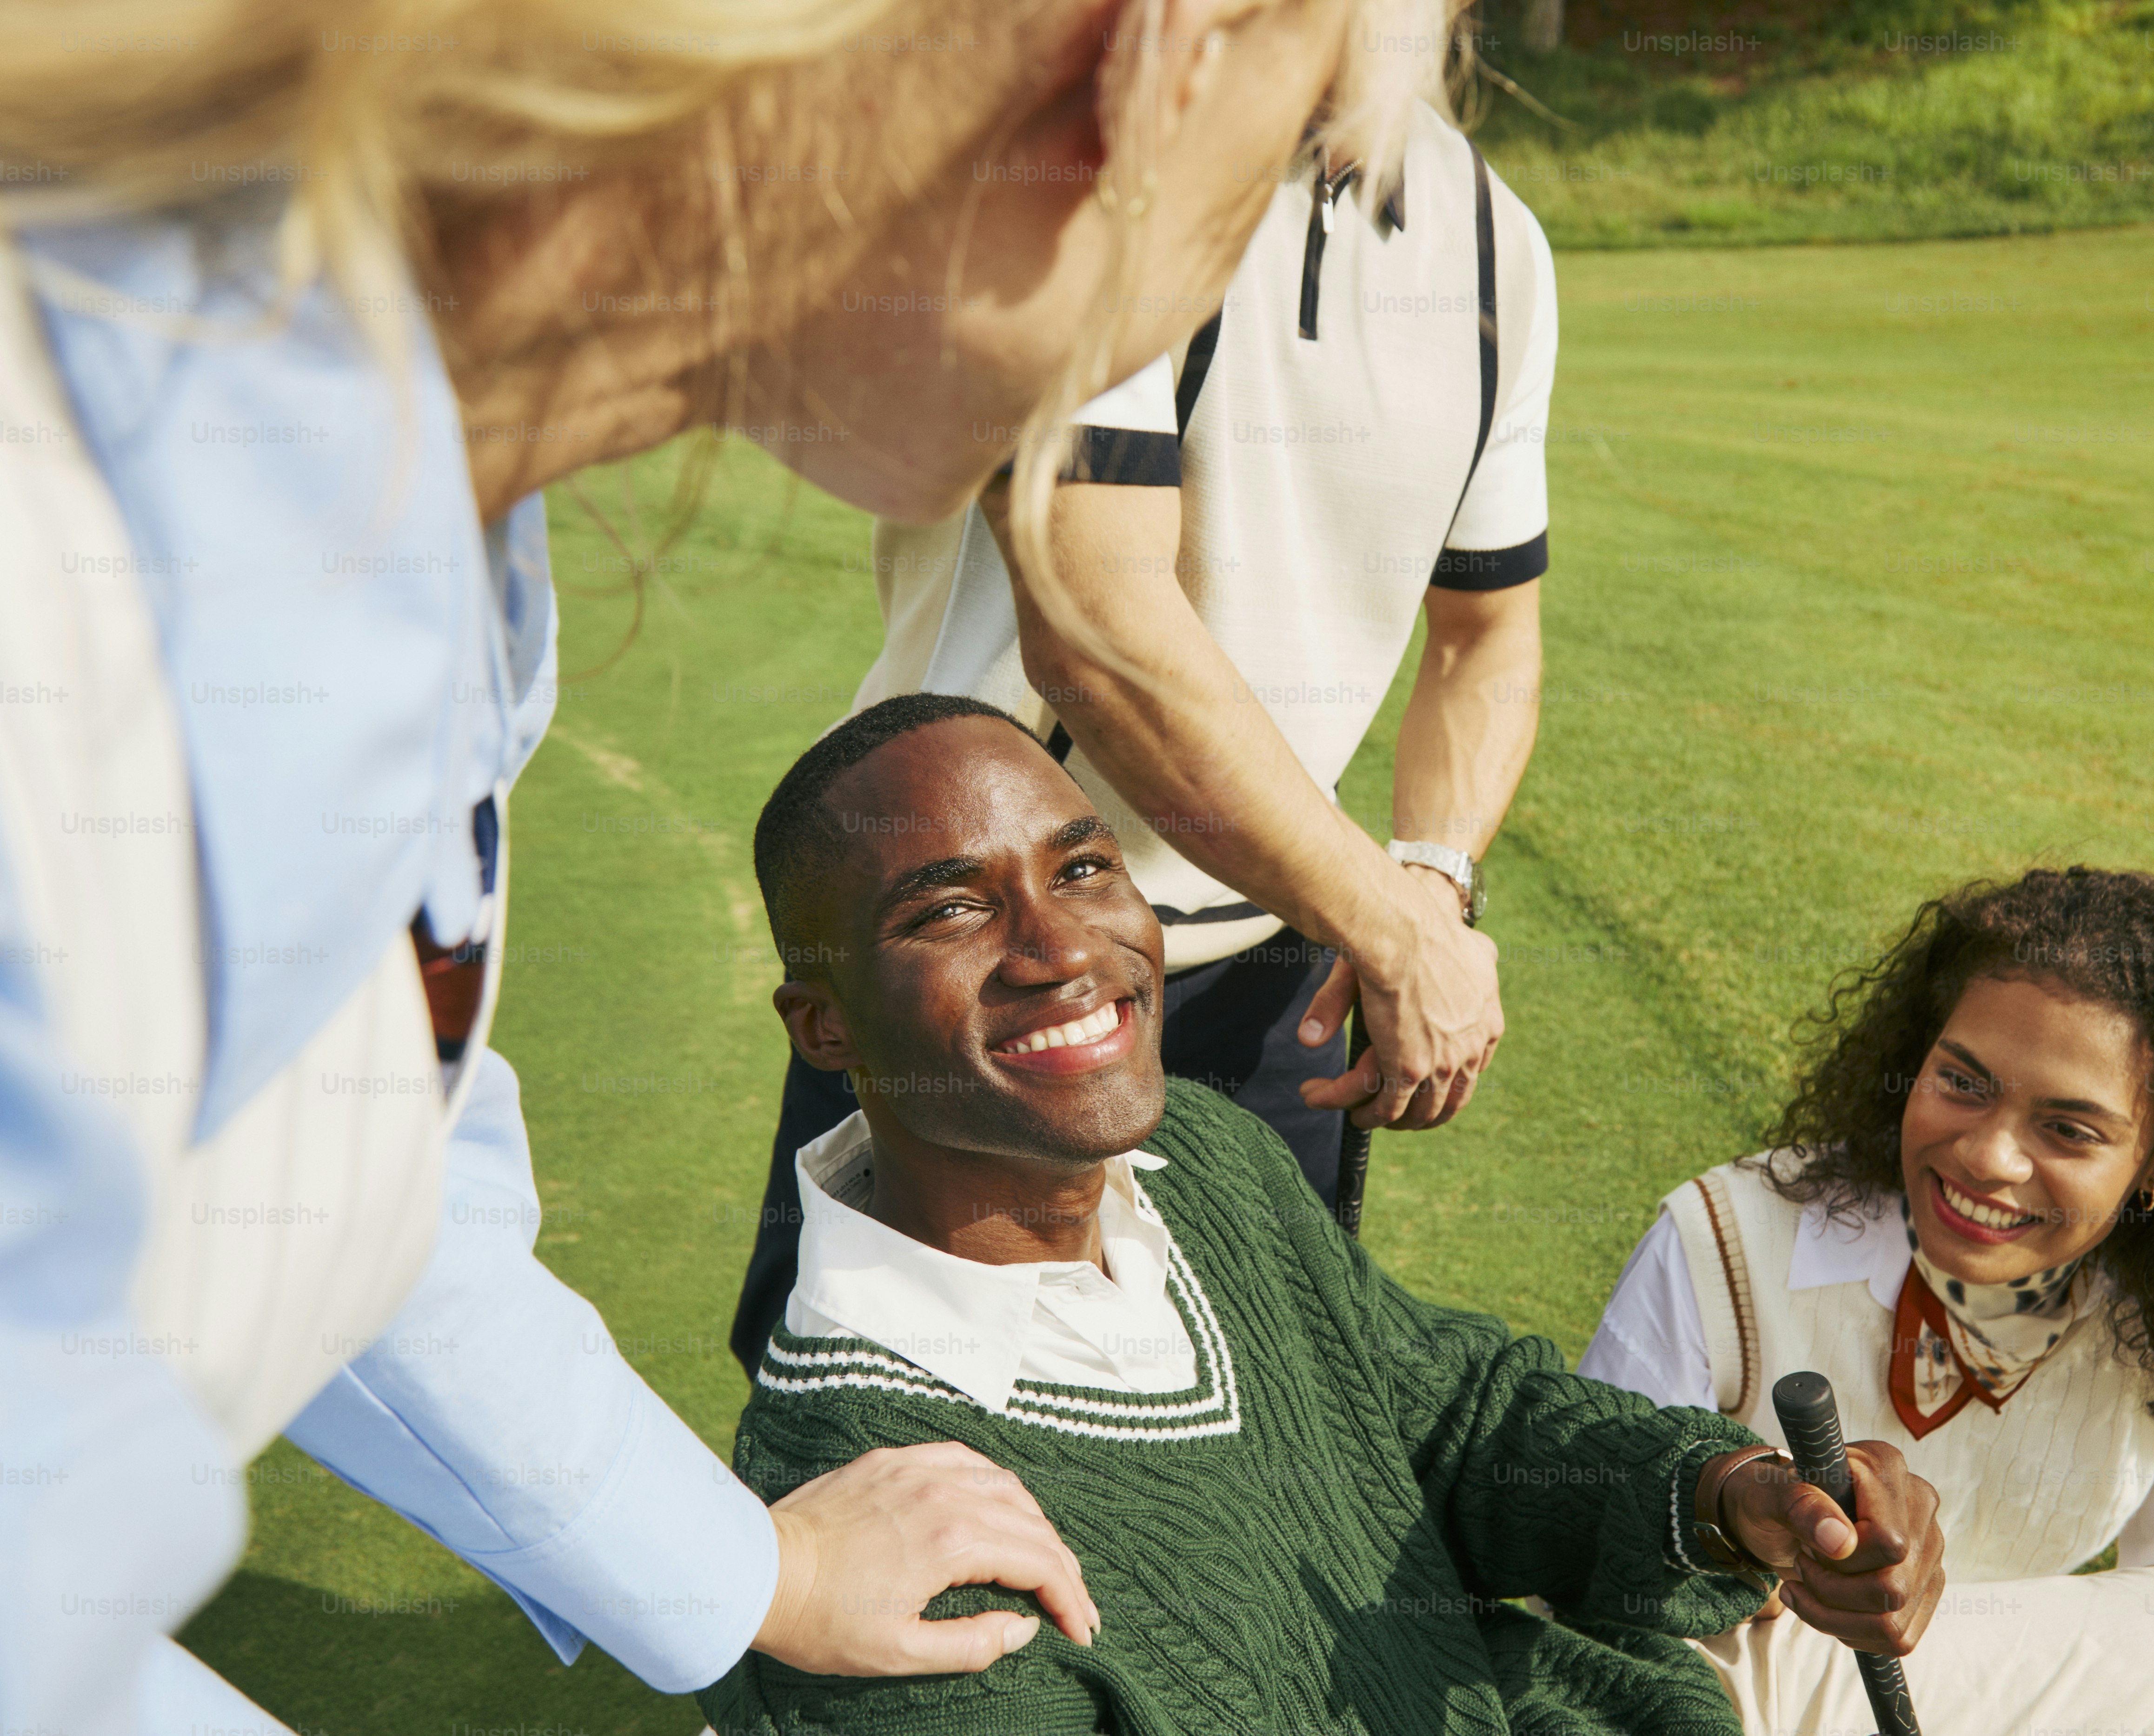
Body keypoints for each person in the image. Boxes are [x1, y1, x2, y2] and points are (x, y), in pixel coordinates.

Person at [0, 2, 1456, 1726]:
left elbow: (348, 1162)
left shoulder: (412, 519)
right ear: (1160, 66)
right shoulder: (77, 580)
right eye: (1287, 172)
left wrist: (730, 1565)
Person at [697, 691, 1949, 1735]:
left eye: (1083, 865)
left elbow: (1454, 1417)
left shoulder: (1200, 1153)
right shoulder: (864, 1518)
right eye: (949, 907)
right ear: (827, 1023)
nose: (1064, 945)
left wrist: (1730, 1493)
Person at [731, 93, 1559, 1369]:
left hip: (1284, 965)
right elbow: (1096, 615)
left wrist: (1432, 881)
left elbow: (1486, 635)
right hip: (977, 943)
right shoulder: (1090, 163)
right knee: (894, 1444)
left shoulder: (1498, 244)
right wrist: (1386, 920)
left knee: (1269, 1425)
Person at [1580, 867, 2154, 1736]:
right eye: (1963, 1081)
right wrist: (1748, 1530)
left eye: (2068, 1129)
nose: (1988, 1156)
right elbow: (1584, 1566)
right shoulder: (1725, 1240)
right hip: (1713, 1698)